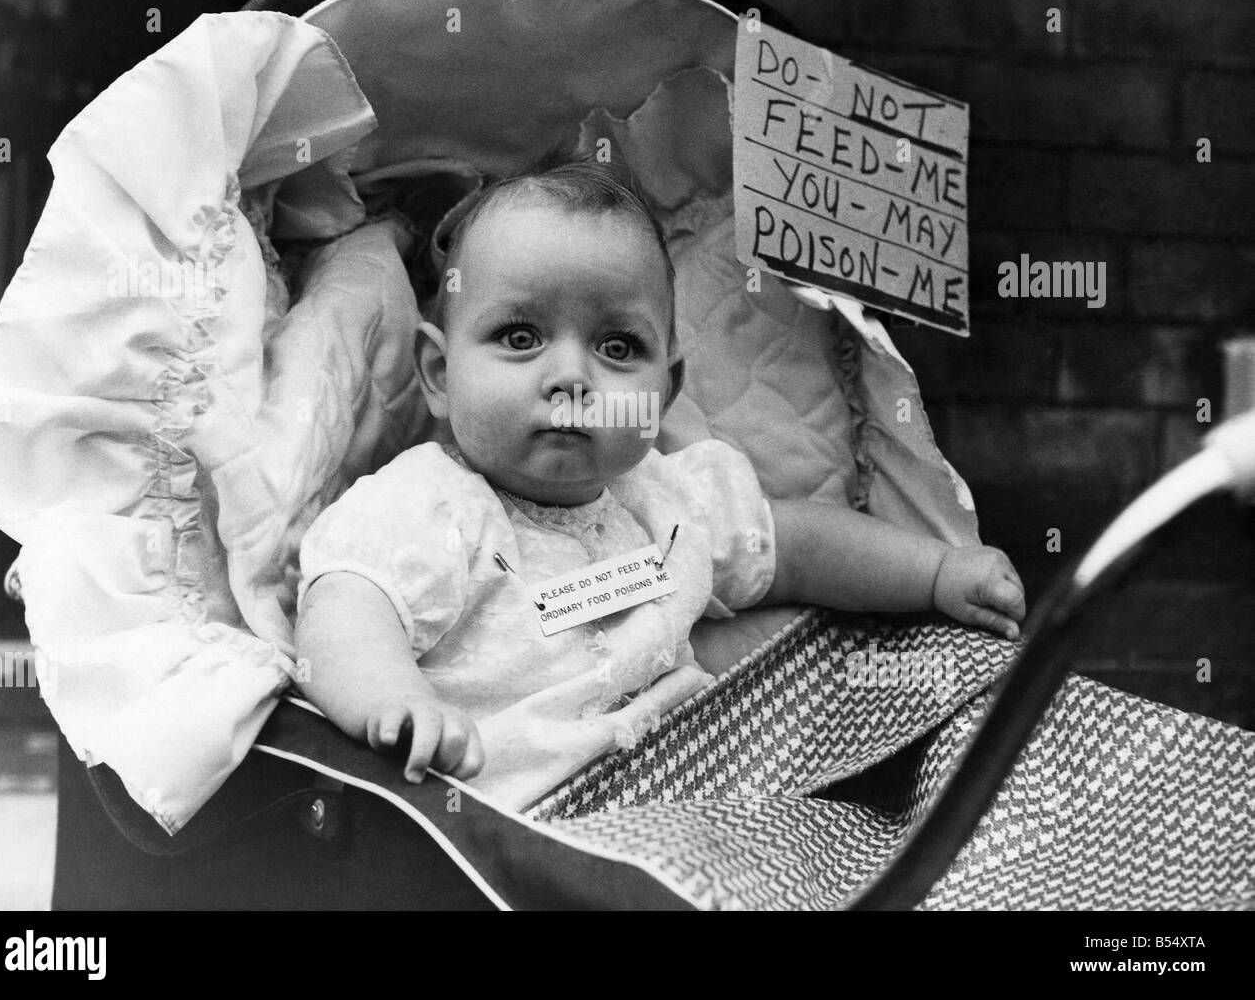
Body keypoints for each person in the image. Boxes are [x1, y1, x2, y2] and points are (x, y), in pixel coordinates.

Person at [294, 157, 1026, 810]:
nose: (571, 377)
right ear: (439, 374)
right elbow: (346, 609)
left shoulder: (667, 499)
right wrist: (393, 700)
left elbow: (797, 546)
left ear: (664, 391)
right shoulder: (431, 505)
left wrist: (935, 572)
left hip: (707, 783)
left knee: (968, 716)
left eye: (618, 347)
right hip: (539, 810)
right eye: (520, 336)